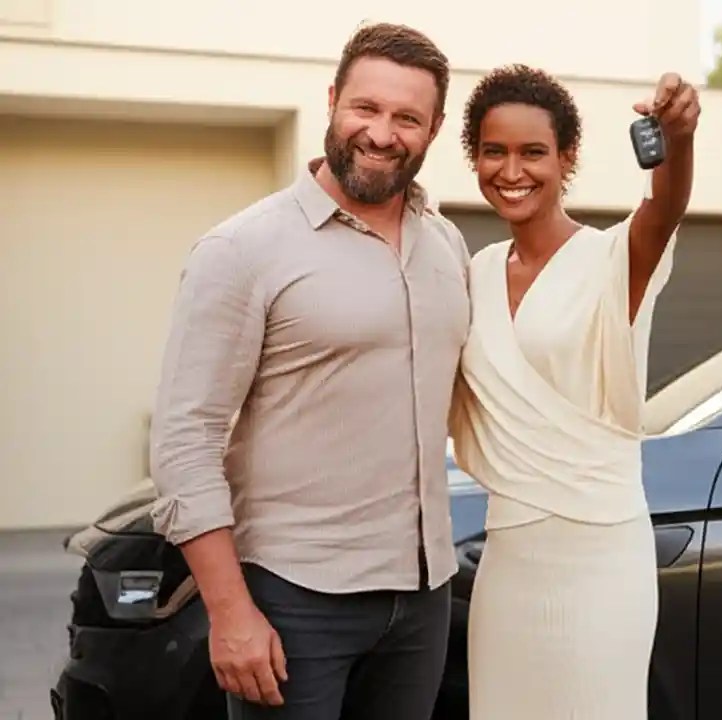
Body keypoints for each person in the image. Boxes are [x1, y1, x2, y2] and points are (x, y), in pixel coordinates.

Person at [147, 22, 470, 719]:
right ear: (332, 100)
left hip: (424, 598)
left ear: (434, 128)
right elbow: (185, 441)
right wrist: (231, 612)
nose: (382, 134)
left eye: (407, 117)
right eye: (366, 108)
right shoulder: (242, 249)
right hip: (294, 600)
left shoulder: (444, 243)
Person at [447, 64, 699, 719]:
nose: (512, 170)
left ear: (567, 159)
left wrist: (678, 140)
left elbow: (665, 206)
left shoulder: (614, 257)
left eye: (533, 152)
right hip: (508, 563)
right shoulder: (469, 274)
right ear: (474, 157)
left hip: (601, 560)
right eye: (494, 151)